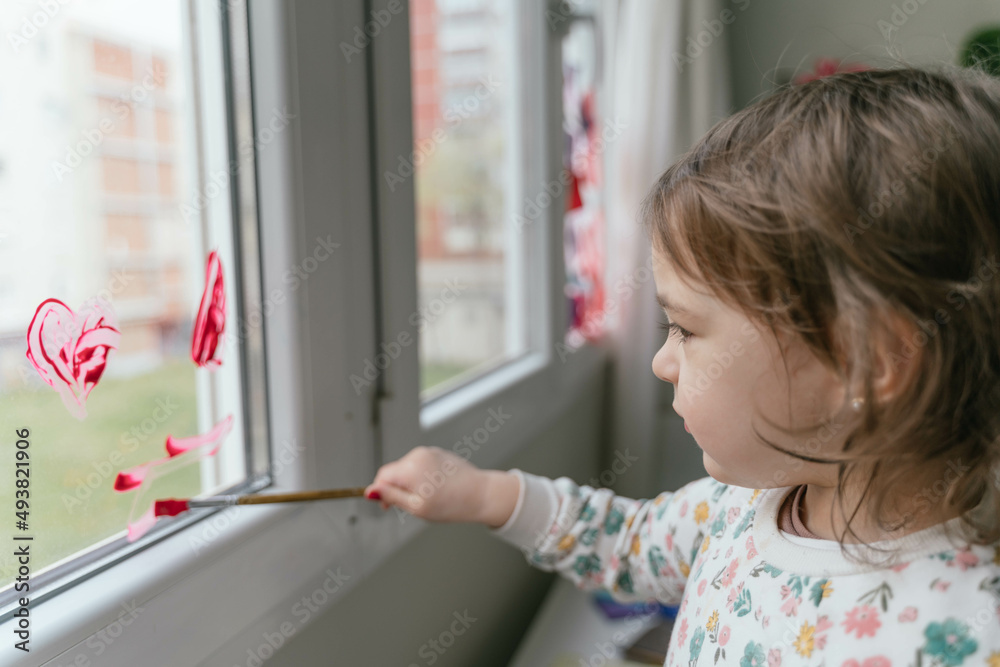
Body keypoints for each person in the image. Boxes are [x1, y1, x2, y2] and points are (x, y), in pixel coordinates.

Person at [363, 65, 1000, 664]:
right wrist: (478, 493)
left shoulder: (964, 633)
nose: (662, 362)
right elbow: (625, 539)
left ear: (866, 359)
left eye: (685, 329)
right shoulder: (742, 504)